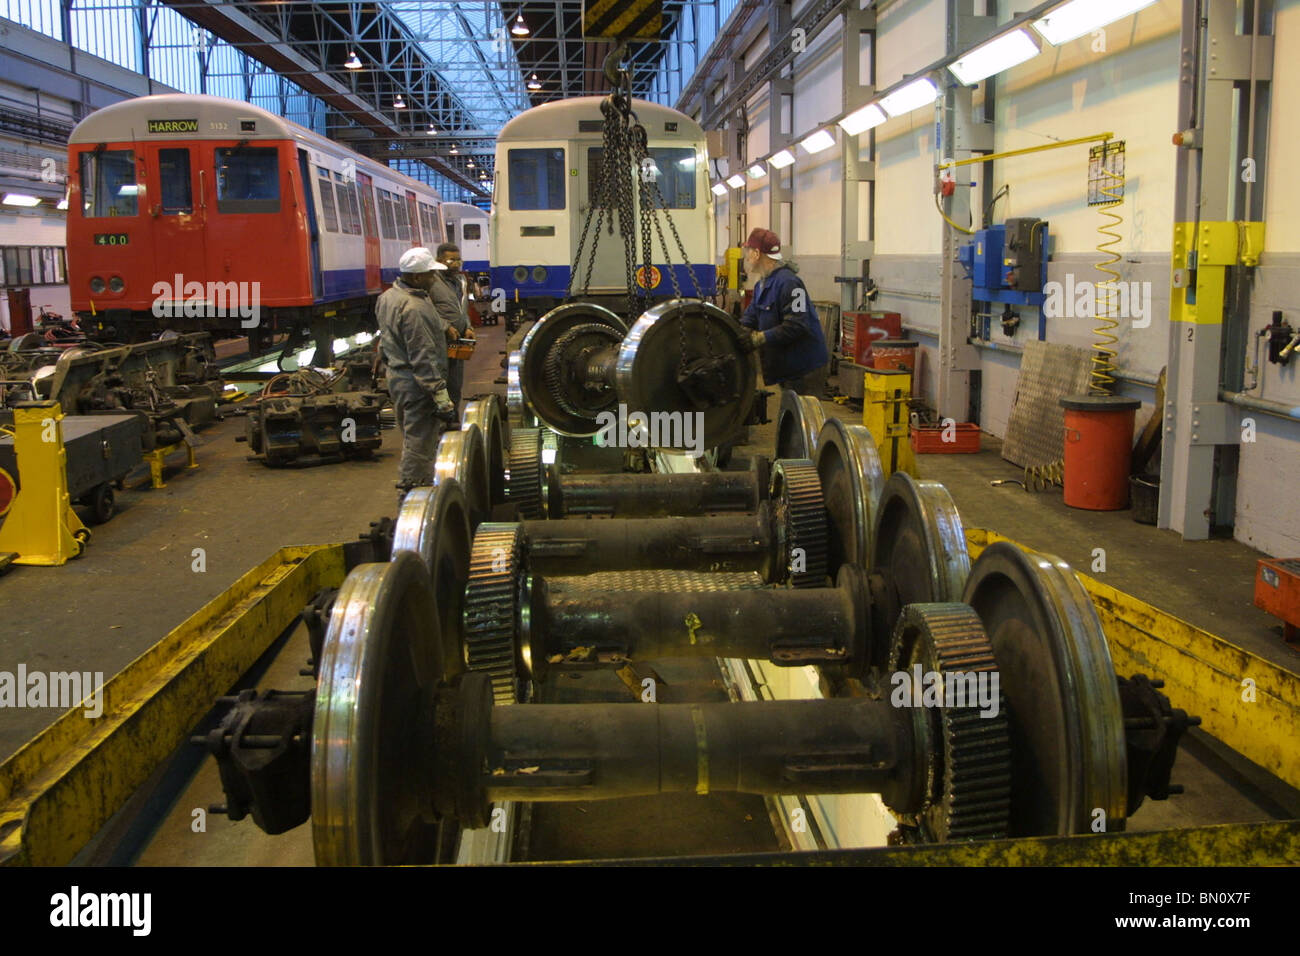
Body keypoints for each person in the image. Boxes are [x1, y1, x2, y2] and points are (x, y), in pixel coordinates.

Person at [375, 247, 456, 499]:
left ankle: (416, 491)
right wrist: (439, 394)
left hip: (397, 379)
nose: (435, 278)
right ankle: (412, 498)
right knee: (419, 443)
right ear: (418, 277)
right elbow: (423, 356)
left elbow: (390, 333)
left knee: (412, 434)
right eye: (431, 274)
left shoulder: (389, 296)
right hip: (416, 384)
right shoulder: (415, 307)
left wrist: (443, 326)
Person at [738, 228, 828, 397]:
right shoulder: (761, 286)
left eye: (748, 252)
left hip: (804, 368)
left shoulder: (791, 284)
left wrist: (760, 338)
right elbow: (749, 318)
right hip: (788, 366)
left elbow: (798, 324)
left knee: (802, 418)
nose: (746, 258)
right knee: (789, 413)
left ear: (757, 253)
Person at [434, 242, 477, 415]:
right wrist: (444, 326)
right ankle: (439, 421)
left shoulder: (460, 281)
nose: (457, 264)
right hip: (439, 342)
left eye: (459, 260)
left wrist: (468, 326)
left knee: (455, 383)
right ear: (439, 260)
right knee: (439, 382)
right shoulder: (432, 281)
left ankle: (453, 418)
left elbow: (462, 307)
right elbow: (426, 311)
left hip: (457, 341)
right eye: (452, 260)